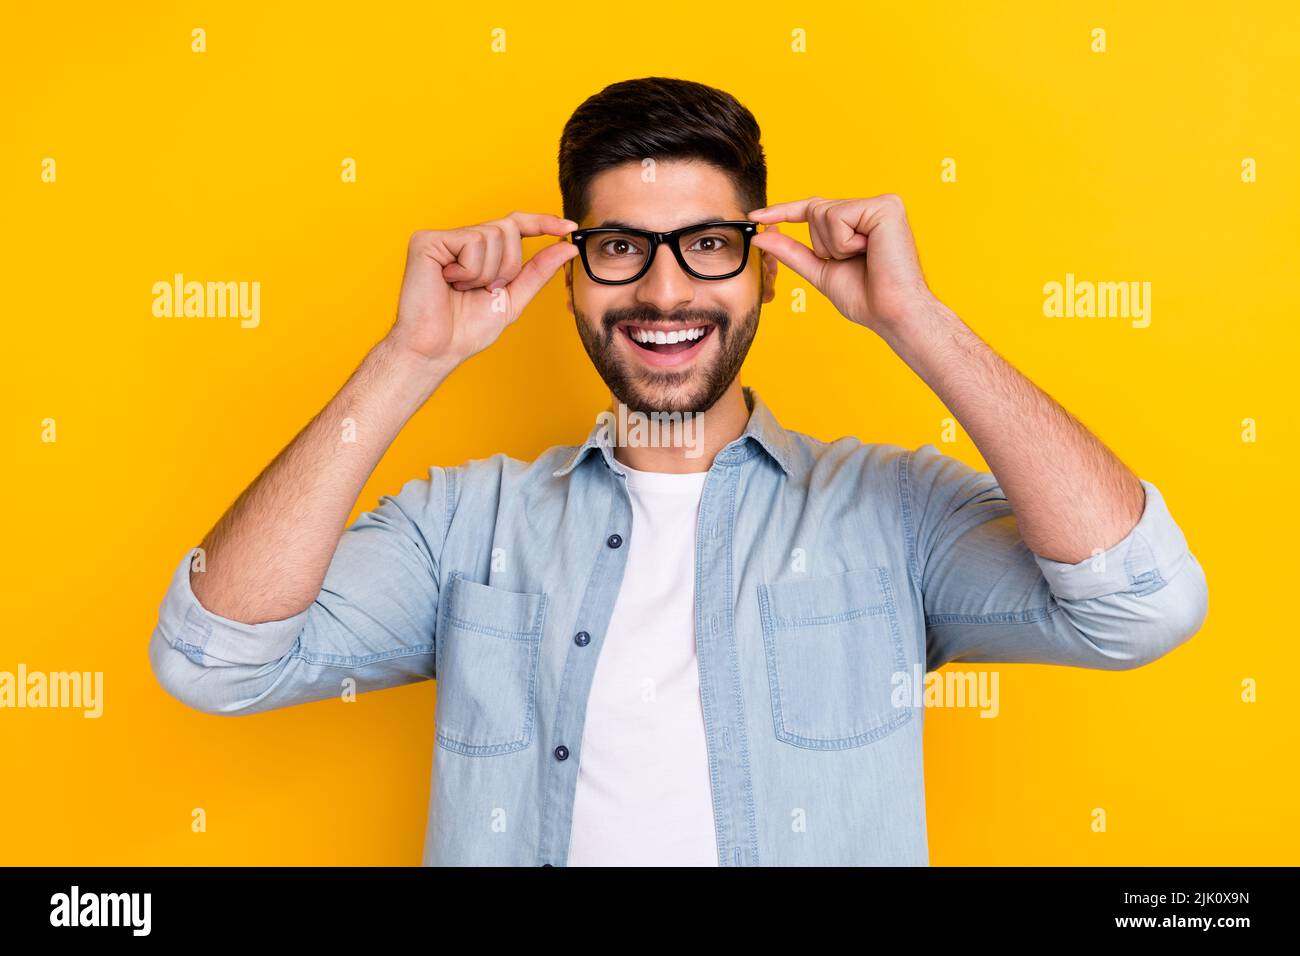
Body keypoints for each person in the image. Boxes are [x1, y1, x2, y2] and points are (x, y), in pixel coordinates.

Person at [148, 76, 1208, 866]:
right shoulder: (464, 525)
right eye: (619, 247)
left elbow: (1139, 607)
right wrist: (410, 358)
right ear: (566, 278)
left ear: (765, 272)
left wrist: (915, 322)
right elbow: (212, 659)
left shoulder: (895, 516)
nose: (663, 291)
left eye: (706, 244)